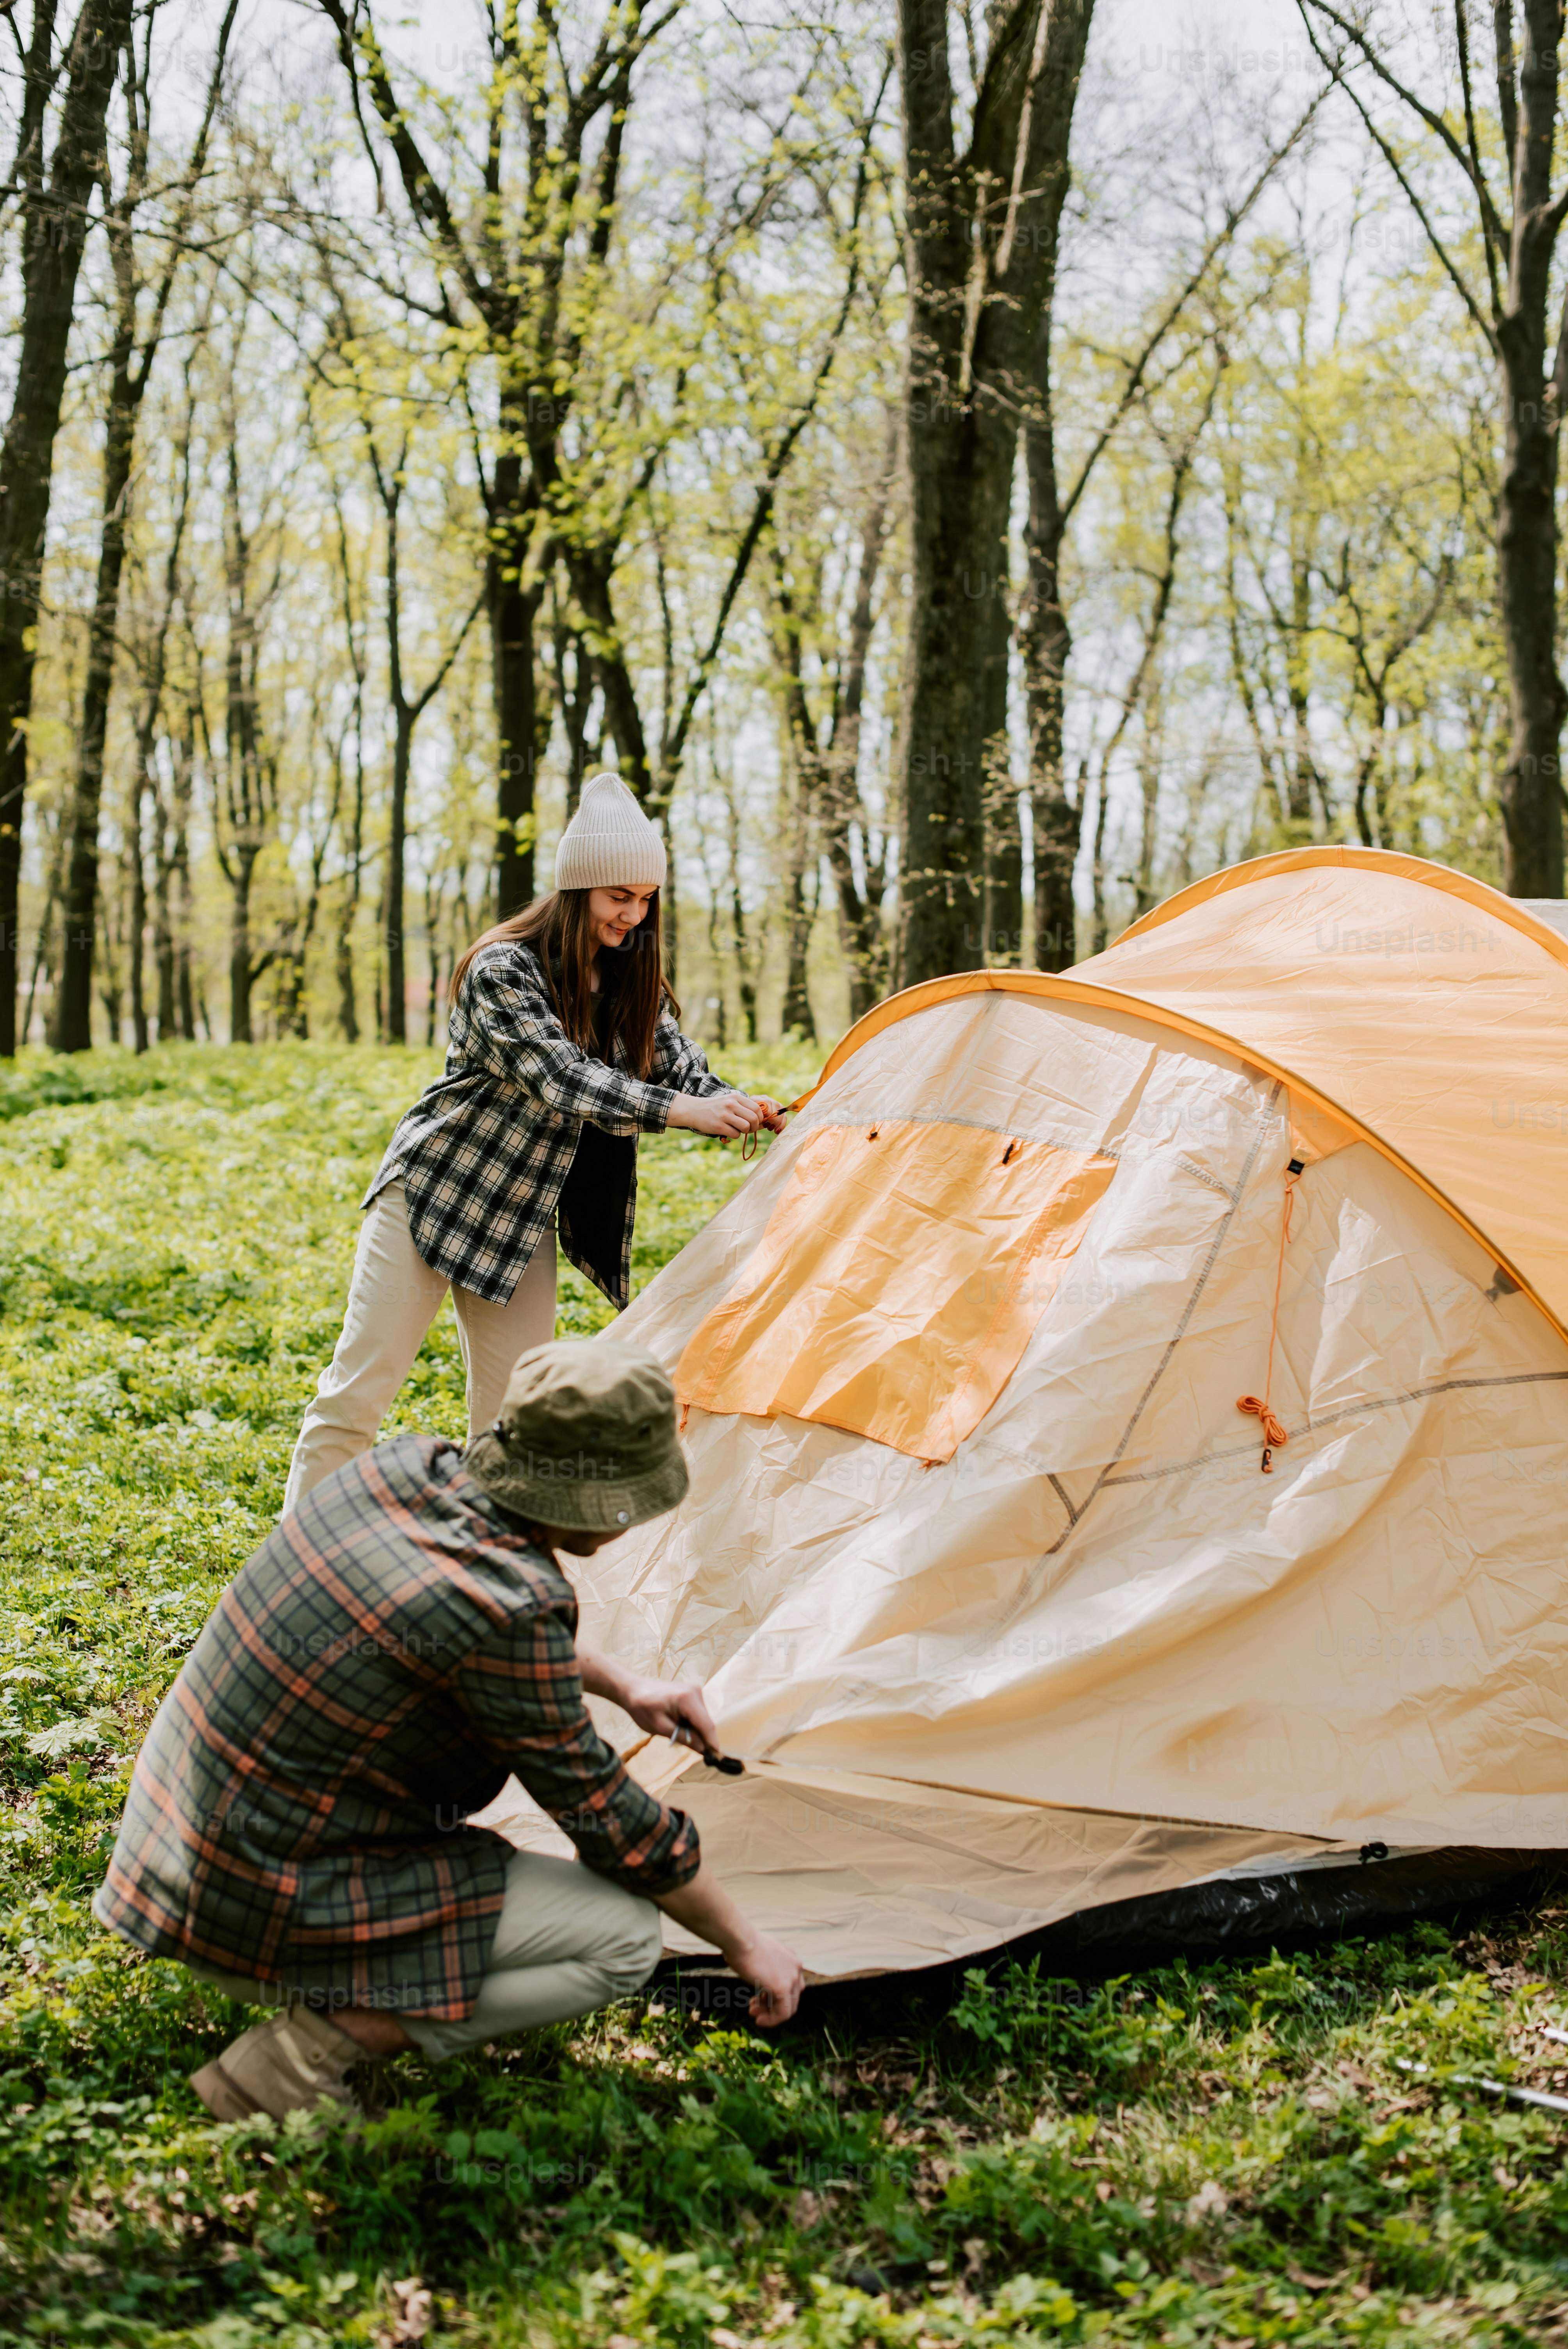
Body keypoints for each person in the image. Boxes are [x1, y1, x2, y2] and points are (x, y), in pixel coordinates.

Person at [93, 1340, 804, 2122]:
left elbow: (465, 1616)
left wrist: (625, 1683)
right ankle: (305, 2054)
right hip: (254, 1904)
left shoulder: (403, 1469)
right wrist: (745, 1944)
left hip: (164, 1857)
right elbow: (614, 1825)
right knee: (626, 1936)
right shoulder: (512, 1609)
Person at [283, 770, 783, 1515]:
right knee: (357, 1392)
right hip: (433, 1195)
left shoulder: (627, 979)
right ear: (578, 889)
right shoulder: (502, 970)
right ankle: (297, 1560)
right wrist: (683, 1113)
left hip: (519, 1221)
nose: (635, 915)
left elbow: (681, 1070)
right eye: (620, 897)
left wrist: (740, 1105)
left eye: (647, 899)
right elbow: (562, 1079)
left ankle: (491, 1568)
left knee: (514, 1422)